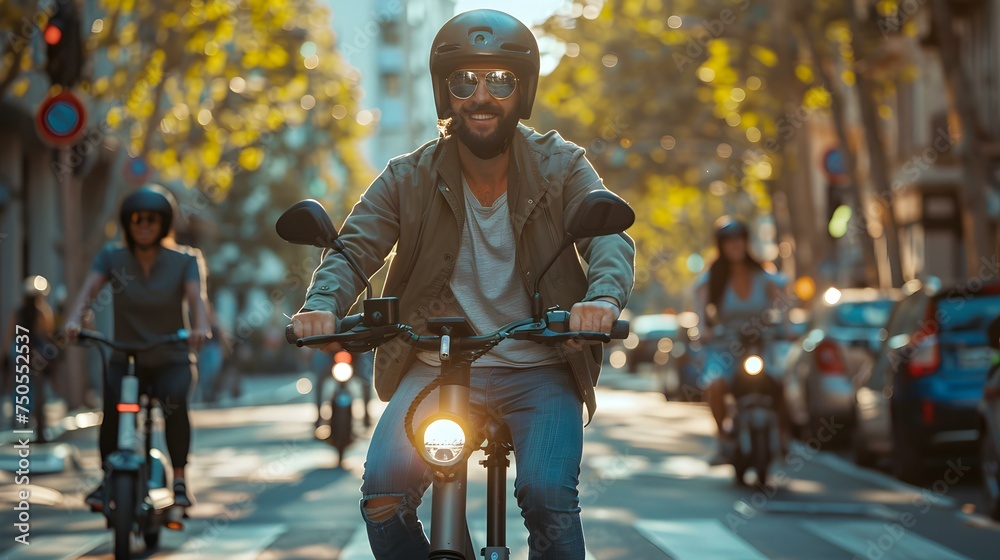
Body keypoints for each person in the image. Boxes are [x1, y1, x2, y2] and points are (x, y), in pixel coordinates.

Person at [291, 9, 634, 559]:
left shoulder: (563, 165)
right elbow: (354, 249)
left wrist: (602, 298)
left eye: (499, 80)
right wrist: (321, 304)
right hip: (439, 367)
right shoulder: (408, 176)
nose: (481, 95)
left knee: (547, 497)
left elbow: (609, 236)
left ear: (521, 92)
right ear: (443, 93)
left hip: (542, 366)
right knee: (383, 493)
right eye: (464, 80)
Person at [64, 185, 209, 509]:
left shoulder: (185, 259)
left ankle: (180, 479)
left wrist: (200, 326)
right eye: (136, 220)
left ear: (164, 224)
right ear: (127, 224)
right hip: (125, 356)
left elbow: (196, 298)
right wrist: (75, 318)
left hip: (171, 355)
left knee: (174, 405)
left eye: (152, 220)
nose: (143, 225)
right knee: (113, 410)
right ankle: (107, 478)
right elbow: (88, 292)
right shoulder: (111, 257)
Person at [695, 218, 789, 465]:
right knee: (715, 384)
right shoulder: (712, 278)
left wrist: (787, 327)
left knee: (780, 379)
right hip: (726, 345)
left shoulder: (763, 274)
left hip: (761, 342)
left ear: (746, 242)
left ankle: (782, 435)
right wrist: (704, 329)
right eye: (728, 242)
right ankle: (722, 440)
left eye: (739, 240)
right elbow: (701, 313)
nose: (735, 246)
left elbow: (783, 300)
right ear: (721, 246)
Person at [2, 275, 59, 440]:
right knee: (31, 390)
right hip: (30, 355)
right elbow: (48, 334)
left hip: (25, 354)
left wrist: (6, 355)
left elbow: (9, 336)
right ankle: (31, 424)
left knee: (23, 389)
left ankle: (26, 423)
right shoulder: (41, 312)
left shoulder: (31, 312)